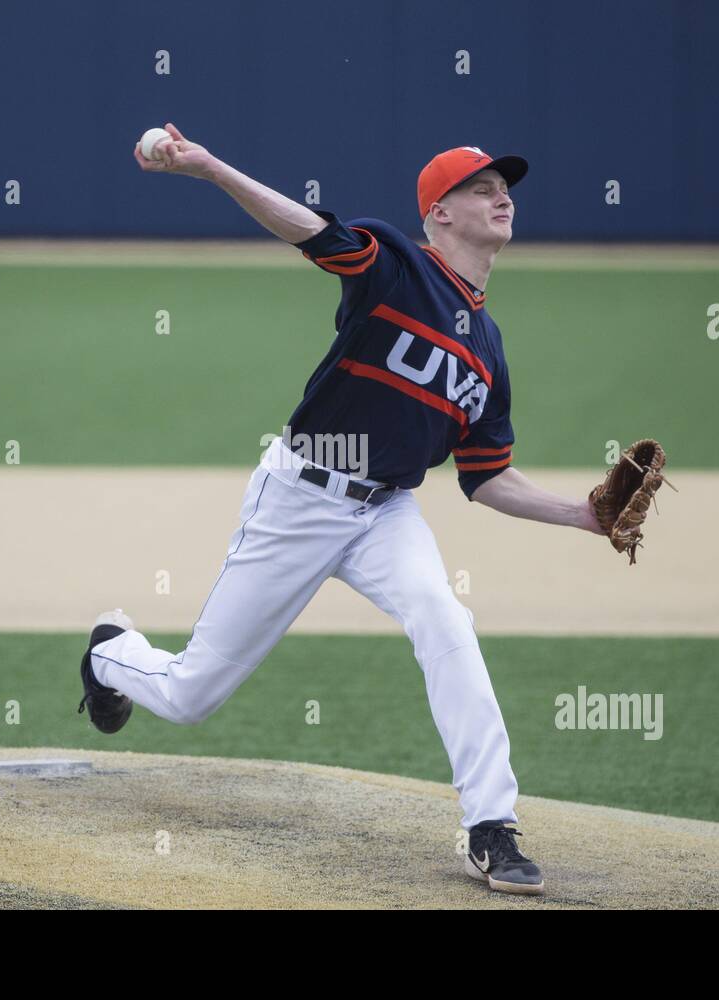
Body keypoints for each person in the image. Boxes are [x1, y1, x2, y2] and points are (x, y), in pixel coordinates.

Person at [77, 123, 605, 895]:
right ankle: (107, 650)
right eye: (481, 187)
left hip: (387, 514)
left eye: (505, 187)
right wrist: (212, 167)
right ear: (440, 215)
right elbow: (310, 230)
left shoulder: (488, 351)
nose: (502, 197)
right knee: (192, 696)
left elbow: (486, 475)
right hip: (298, 498)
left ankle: (491, 826)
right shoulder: (395, 266)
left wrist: (582, 516)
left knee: (445, 618)